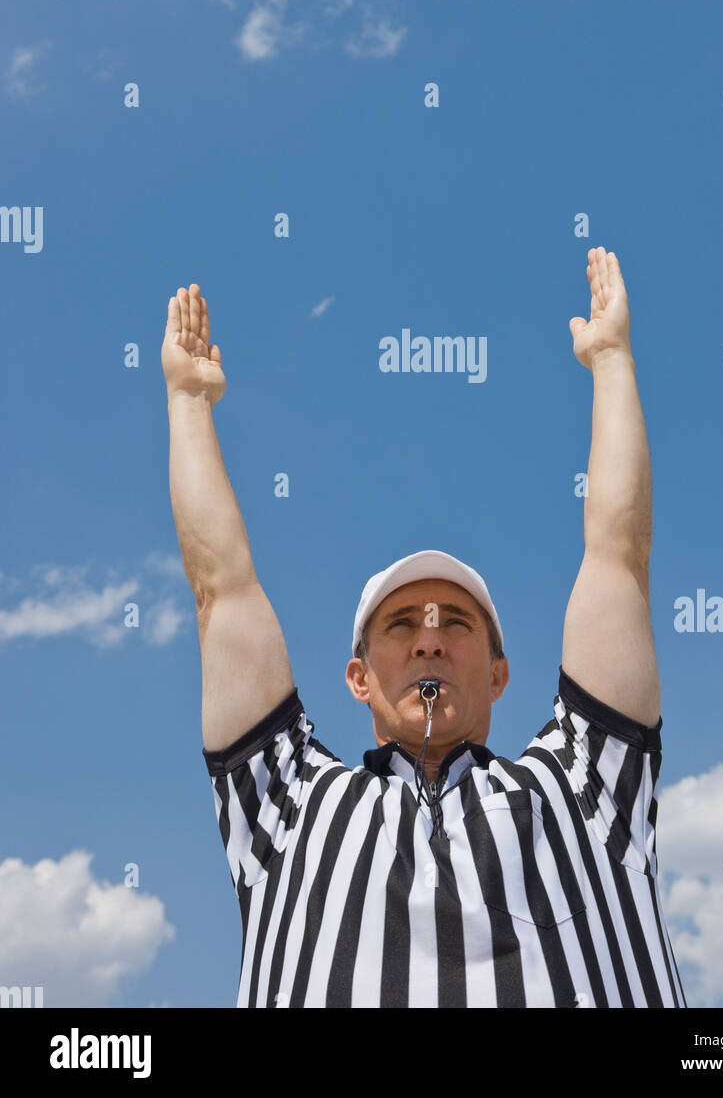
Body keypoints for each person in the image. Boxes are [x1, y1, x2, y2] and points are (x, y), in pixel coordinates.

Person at [161, 246, 686, 1008]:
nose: (430, 638)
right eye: (401, 624)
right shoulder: (287, 803)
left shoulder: (586, 784)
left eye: (458, 624)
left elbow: (618, 557)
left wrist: (610, 361)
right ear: (358, 676)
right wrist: (187, 405)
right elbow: (222, 591)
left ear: (501, 673)